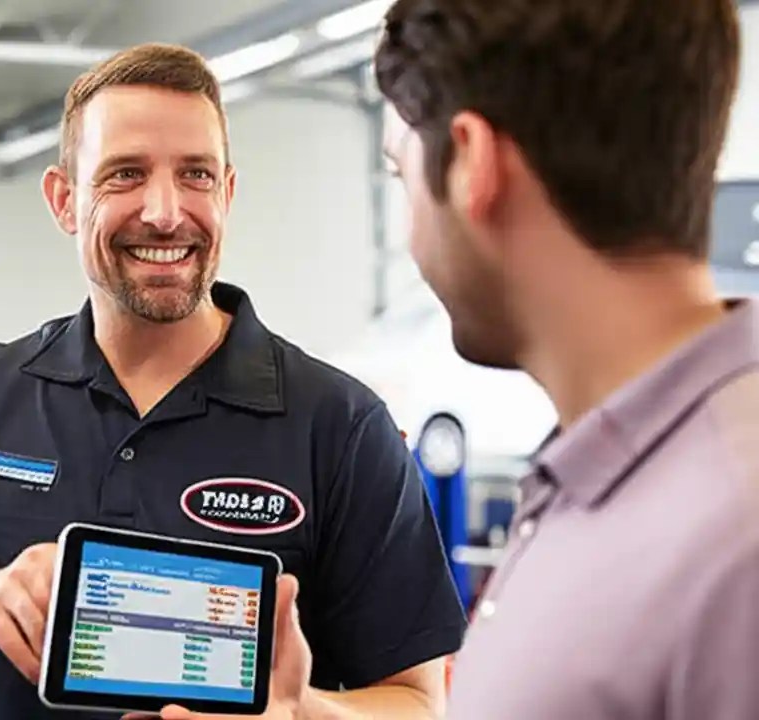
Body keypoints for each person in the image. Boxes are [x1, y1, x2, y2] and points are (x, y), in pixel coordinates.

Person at [168, 1, 758, 719]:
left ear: (473, 163)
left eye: (400, 174)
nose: (412, 229)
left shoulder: (732, 539)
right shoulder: (606, 480)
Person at [0, 42, 467, 720]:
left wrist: (296, 714)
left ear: (227, 194)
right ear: (64, 200)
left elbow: (417, 704)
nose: (166, 212)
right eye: (125, 174)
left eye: (196, 175)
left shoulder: (340, 424)